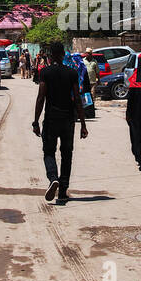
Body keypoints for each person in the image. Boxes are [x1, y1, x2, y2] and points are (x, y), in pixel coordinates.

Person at [34, 39, 88, 202]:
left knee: (49, 152)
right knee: (67, 154)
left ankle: (53, 179)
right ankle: (63, 190)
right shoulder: (71, 73)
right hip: (68, 119)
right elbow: (77, 99)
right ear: (63, 55)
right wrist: (83, 124)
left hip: (51, 119)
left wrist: (36, 121)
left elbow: (41, 97)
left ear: (50, 56)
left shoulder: (45, 72)